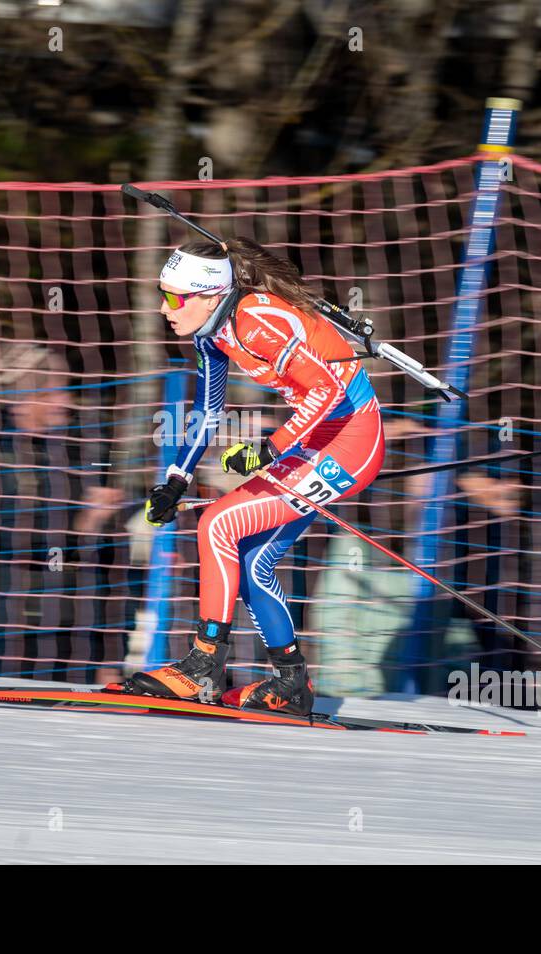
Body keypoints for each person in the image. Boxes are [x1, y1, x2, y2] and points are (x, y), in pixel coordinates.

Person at [120, 237, 384, 715]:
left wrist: (269, 448)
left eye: (174, 297)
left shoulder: (254, 319)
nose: (164, 308)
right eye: (162, 294)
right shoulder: (213, 331)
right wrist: (177, 479)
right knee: (249, 557)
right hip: (316, 439)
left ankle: (203, 665)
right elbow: (206, 411)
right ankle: (291, 682)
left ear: (207, 295)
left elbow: (326, 389)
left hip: (350, 440)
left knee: (218, 524)